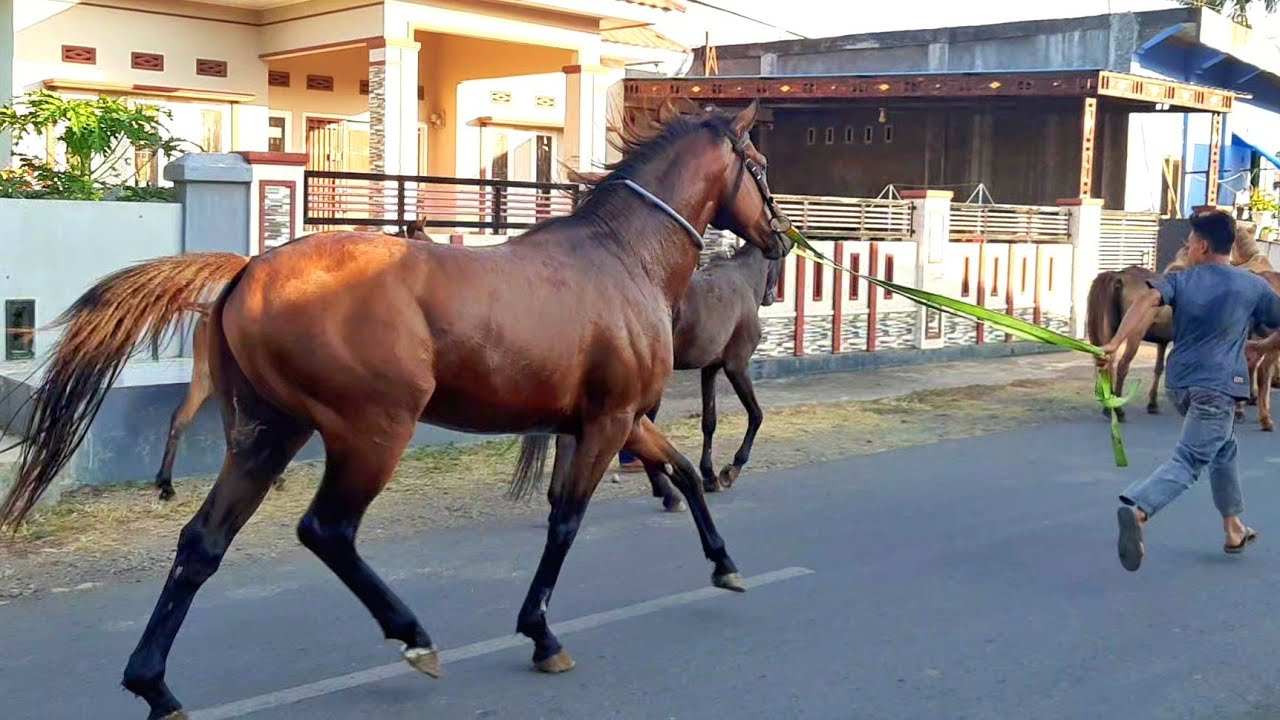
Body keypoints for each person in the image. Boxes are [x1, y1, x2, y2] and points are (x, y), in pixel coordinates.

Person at [1098, 208, 1280, 572]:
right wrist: (1264, 345)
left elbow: (1145, 302)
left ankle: (1234, 529)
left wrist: (1115, 342)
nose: (1189, 247)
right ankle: (1139, 511)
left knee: (1223, 447)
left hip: (1180, 387)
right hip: (1219, 388)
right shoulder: (1254, 285)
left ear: (1202, 246)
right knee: (1190, 458)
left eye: (1191, 241)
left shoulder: (1183, 280)